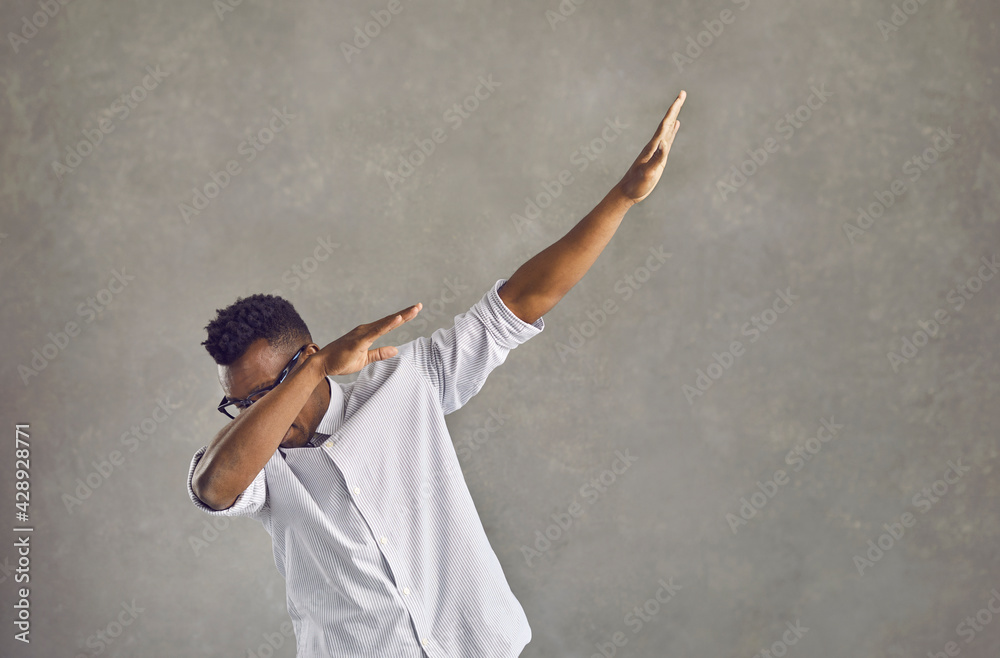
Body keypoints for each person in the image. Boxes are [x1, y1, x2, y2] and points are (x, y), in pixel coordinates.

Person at [186, 91, 686, 657]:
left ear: (307, 354)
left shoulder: (404, 384)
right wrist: (309, 375)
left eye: (270, 391)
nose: (260, 415)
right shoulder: (260, 466)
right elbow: (214, 487)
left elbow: (520, 302)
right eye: (244, 404)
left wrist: (623, 197)